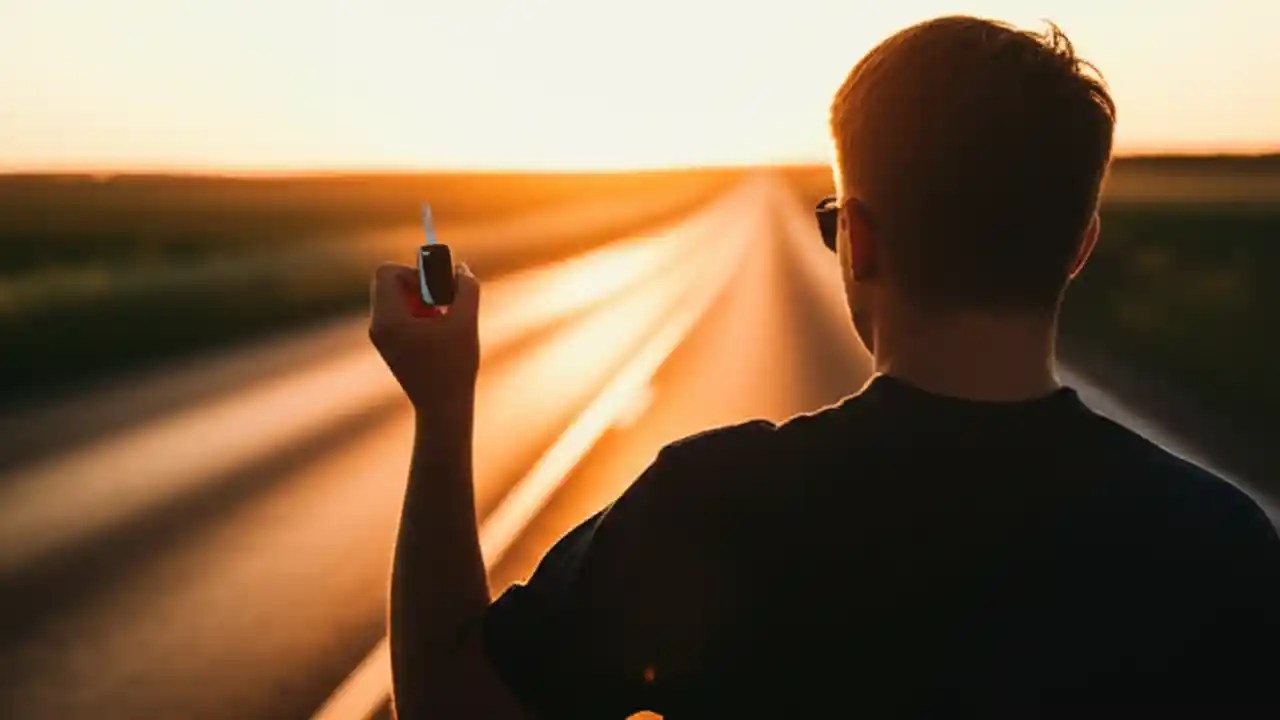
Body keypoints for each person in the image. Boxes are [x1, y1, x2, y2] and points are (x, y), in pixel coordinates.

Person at [368, 15, 1280, 718]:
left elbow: (455, 700)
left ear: (861, 243)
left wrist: (442, 409)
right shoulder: (1226, 549)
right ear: (1079, 247)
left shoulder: (716, 503)